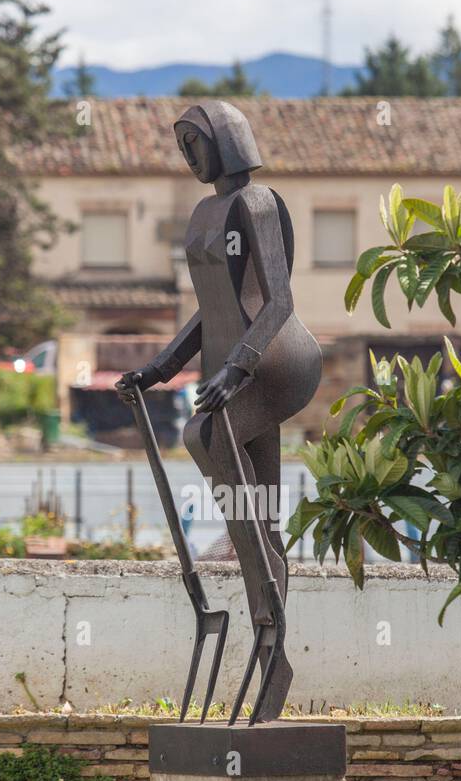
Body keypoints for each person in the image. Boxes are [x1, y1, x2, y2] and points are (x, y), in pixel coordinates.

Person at [117, 100, 321, 722]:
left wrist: (240, 365)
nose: (188, 155)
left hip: (278, 360)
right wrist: (157, 370)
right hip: (230, 366)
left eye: (196, 142)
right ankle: (269, 619)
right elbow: (212, 308)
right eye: (182, 145)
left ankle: (267, 610)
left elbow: (278, 299)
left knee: (206, 435)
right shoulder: (206, 211)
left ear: (228, 142)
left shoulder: (257, 203)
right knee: (255, 504)